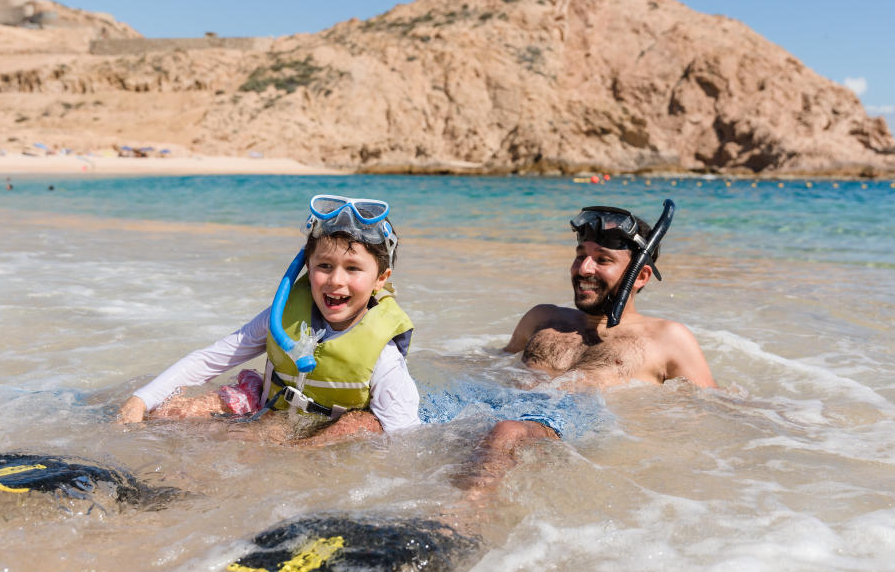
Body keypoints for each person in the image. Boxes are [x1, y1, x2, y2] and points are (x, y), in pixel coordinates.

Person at [117, 195, 420, 439]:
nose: (335, 281)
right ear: (307, 265)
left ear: (381, 278)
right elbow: (211, 360)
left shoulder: (383, 354)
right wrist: (140, 400)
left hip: (330, 430)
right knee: (166, 414)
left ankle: (295, 458)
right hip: (268, 408)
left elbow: (404, 433)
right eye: (324, 265)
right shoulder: (280, 319)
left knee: (359, 425)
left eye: (353, 268)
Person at [461, 199, 715, 489]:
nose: (584, 269)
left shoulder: (667, 338)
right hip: (489, 418)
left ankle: (458, 524)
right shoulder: (542, 318)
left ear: (641, 276)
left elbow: (715, 404)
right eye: (580, 255)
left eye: (602, 260)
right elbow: (490, 363)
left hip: (571, 441)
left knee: (507, 432)